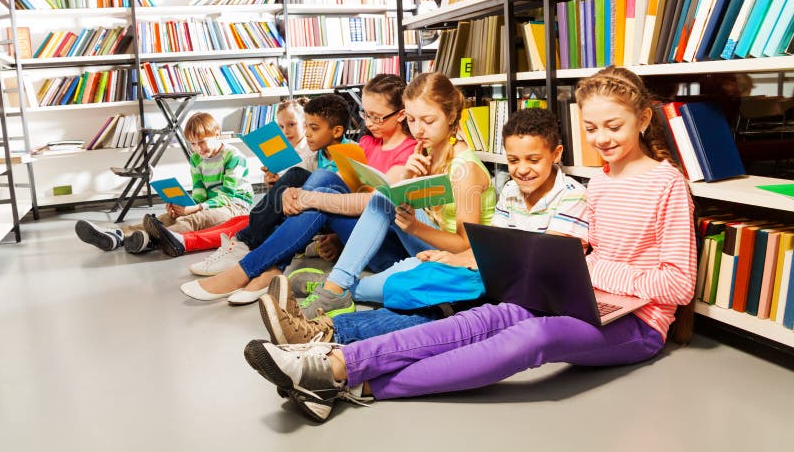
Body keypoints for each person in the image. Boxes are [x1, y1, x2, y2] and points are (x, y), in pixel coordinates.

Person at [243, 65, 698, 423]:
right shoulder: (599, 181)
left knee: (533, 335)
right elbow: (573, 244)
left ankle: (354, 385)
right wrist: (556, 261)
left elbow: (678, 285)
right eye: (591, 128)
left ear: (642, 119)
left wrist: (594, 269)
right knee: (484, 319)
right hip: (578, 297)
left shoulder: (667, 184)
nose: (601, 140)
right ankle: (335, 363)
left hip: (637, 323)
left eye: (613, 126)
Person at [259, 107, 589, 345]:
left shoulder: (572, 196)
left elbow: (542, 263)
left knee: (409, 296)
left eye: (533, 160)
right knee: (410, 282)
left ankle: (329, 299)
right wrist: (455, 258)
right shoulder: (513, 191)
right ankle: (330, 296)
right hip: (487, 275)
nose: (522, 170)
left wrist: (460, 258)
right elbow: (491, 247)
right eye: (514, 160)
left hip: (515, 290)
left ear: (556, 153)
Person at [272, 71, 497, 320]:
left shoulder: (465, 170)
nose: (418, 129)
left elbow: (466, 245)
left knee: (396, 281)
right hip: (429, 248)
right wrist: (409, 174)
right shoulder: (425, 153)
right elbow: (407, 202)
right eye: (411, 120)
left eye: (428, 120)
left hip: (461, 260)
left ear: (451, 115)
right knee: (384, 197)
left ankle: (333, 285)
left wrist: (414, 228)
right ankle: (336, 286)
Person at [179, 74, 417, 302]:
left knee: (317, 195)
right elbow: (339, 182)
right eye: (366, 114)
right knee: (320, 177)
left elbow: (372, 204)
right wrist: (292, 193)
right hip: (357, 231)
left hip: (386, 247)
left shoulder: (410, 153)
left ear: (401, 115)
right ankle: (269, 269)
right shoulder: (367, 142)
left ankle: (249, 270)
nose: (369, 123)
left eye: (378, 117)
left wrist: (308, 197)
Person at [146, 98, 314, 262]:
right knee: (172, 218)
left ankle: (165, 239)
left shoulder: (308, 150)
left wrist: (195, 208)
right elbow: (277, 192)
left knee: (218, 223)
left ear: (305, 124)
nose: (285, 131)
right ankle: (135, 236)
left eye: (291, 125)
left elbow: (301, 182)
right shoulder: (283, 151)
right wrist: (272, 182)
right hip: (272, 207)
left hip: (237, 204)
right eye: (281, 126)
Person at [74, 112, 253, 255]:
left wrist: (195, 209)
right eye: (193, 144)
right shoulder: (197, 159)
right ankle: (118, 235)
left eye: (202, 142)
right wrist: (185, 205)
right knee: (166, 218)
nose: (198, 148)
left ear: (217, 135)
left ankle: (151, 240)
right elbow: (199, 191)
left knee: (194, 219)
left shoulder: (233, 157)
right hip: (208, 205)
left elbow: (228, 197)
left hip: (235, 207)